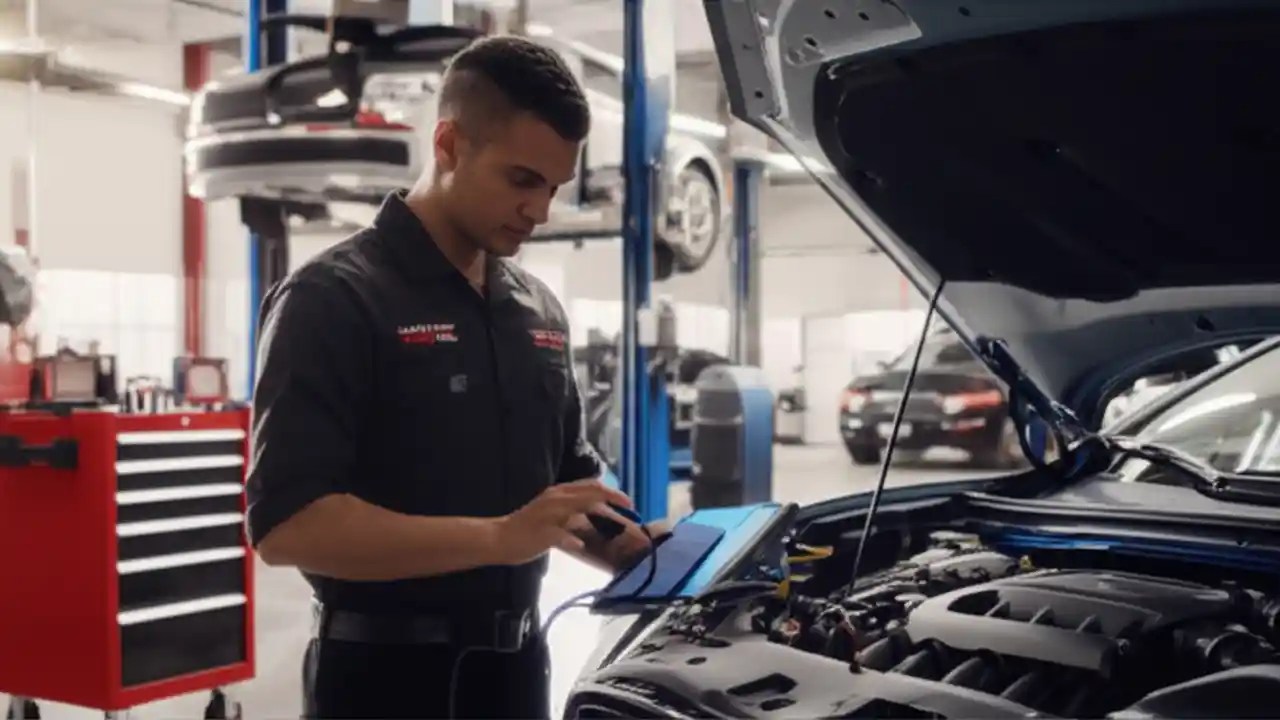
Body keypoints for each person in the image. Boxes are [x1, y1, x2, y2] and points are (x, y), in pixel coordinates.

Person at [245, 35, 664, 720]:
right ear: (448, 145)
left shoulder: (537, 308)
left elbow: (566, 475)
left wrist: (636, 548)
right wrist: (500, 537)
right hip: (381, 683)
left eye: (554, 187)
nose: (541, 210)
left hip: (518, 675)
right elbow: (288, 524)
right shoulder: (332, 299)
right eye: (522, 179)